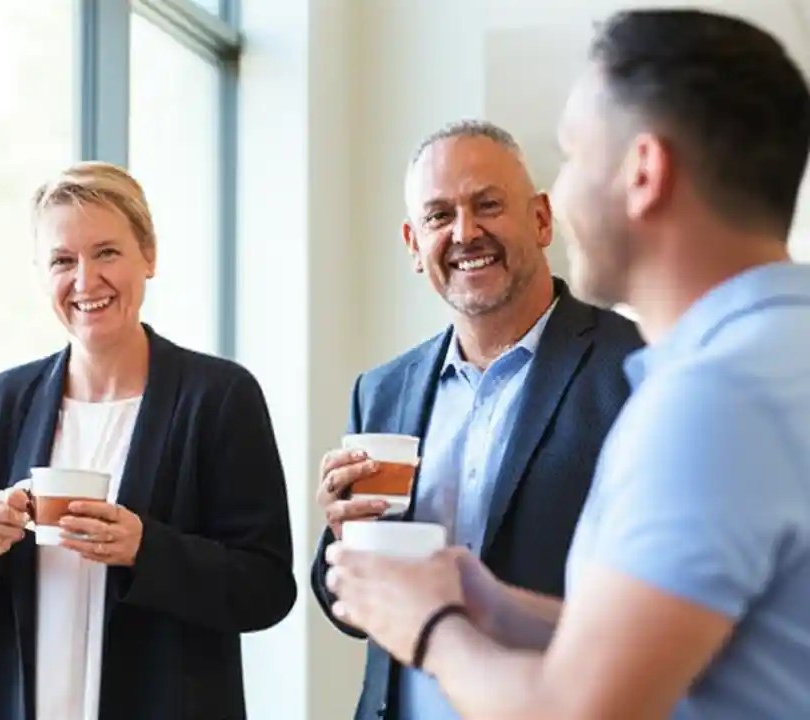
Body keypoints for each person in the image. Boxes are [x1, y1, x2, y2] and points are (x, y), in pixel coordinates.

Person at [326, 9, 810, 718]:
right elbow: (692, 645)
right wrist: (487, 603)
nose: (567, 195)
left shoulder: (712, 401)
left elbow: (576, 710)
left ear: (644, 172)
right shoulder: (775, 359)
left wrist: (431, 629)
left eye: (575, 155)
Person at [0, 161, 296, 720]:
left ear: (149, 255)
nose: (86, 280)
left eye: (107, 253)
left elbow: (266, 589)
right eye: (63, 261)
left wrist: (146, 549)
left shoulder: (219, 397)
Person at [310, 120, 643, 720]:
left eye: (487, 205)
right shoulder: (382, 391)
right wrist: (342, 539)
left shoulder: (633, 367)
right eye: (439, 216)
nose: (466, 232)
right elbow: (348, 609)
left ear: (542, 220)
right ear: (414, 245)